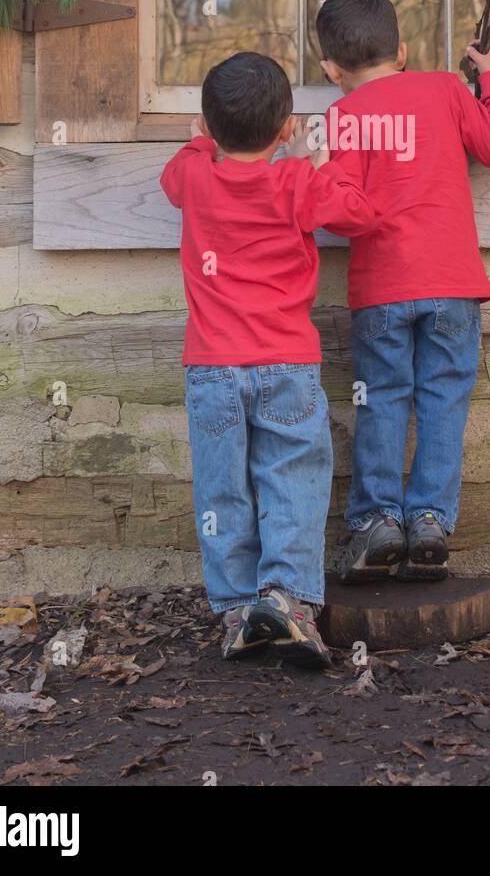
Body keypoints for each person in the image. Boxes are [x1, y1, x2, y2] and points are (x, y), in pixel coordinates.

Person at [160, 51, 375, 667]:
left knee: (222, 489)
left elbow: (177, 171)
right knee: (293, 480)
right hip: (286, 363)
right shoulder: (297, 182)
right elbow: (356, 212)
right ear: (286, 127)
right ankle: (287, 602)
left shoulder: (194, 175)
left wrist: (203, 143)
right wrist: (317, 159)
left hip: (211, 369)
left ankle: (235, 612)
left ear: (205, 123)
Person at [315, 0, 490, 583]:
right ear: (401, 50)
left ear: (330, 69)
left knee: (379, 400)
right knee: (443, 401)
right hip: (452, 285)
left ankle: (379, 521)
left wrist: (317, 175)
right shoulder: (445, 89)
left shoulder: (344, 117)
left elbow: (341, 211)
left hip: (381, 289)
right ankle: (429, 518)